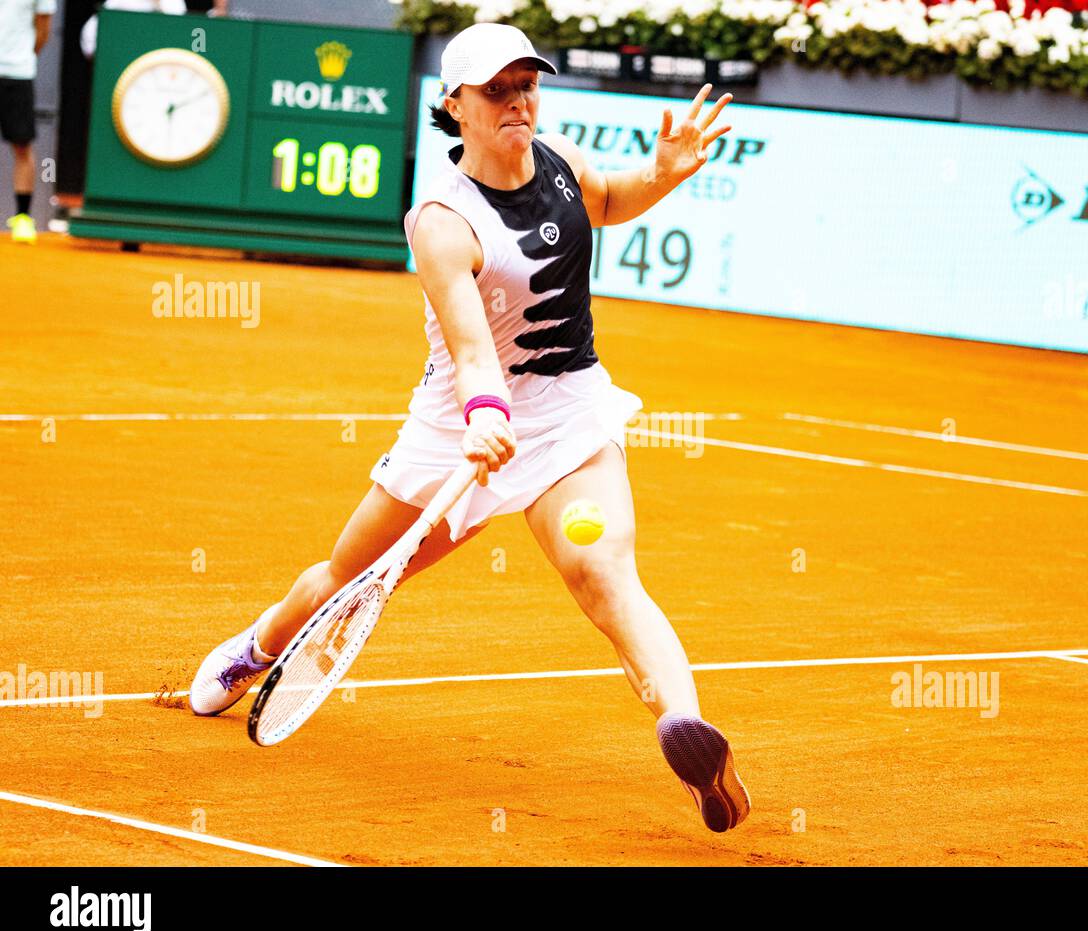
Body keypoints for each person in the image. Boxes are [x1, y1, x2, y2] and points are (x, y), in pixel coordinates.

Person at [189, 23, 750, 833]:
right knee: (344, 583)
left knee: (603, 573)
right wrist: (485, 418)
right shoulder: (442, 221)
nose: (517, 101)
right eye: (496, 89)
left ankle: (687, 732)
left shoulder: (558, 159)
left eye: (526, 84)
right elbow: (470, 348)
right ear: (454, 105)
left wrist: (659, 176)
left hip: (565, 416)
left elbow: (610, 201)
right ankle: (260, 645)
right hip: (456, 427)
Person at [1, 0, 55, 244]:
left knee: (22, 146)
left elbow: (43, 31)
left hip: (18, 73)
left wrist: (20, 58)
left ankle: (23, 218)